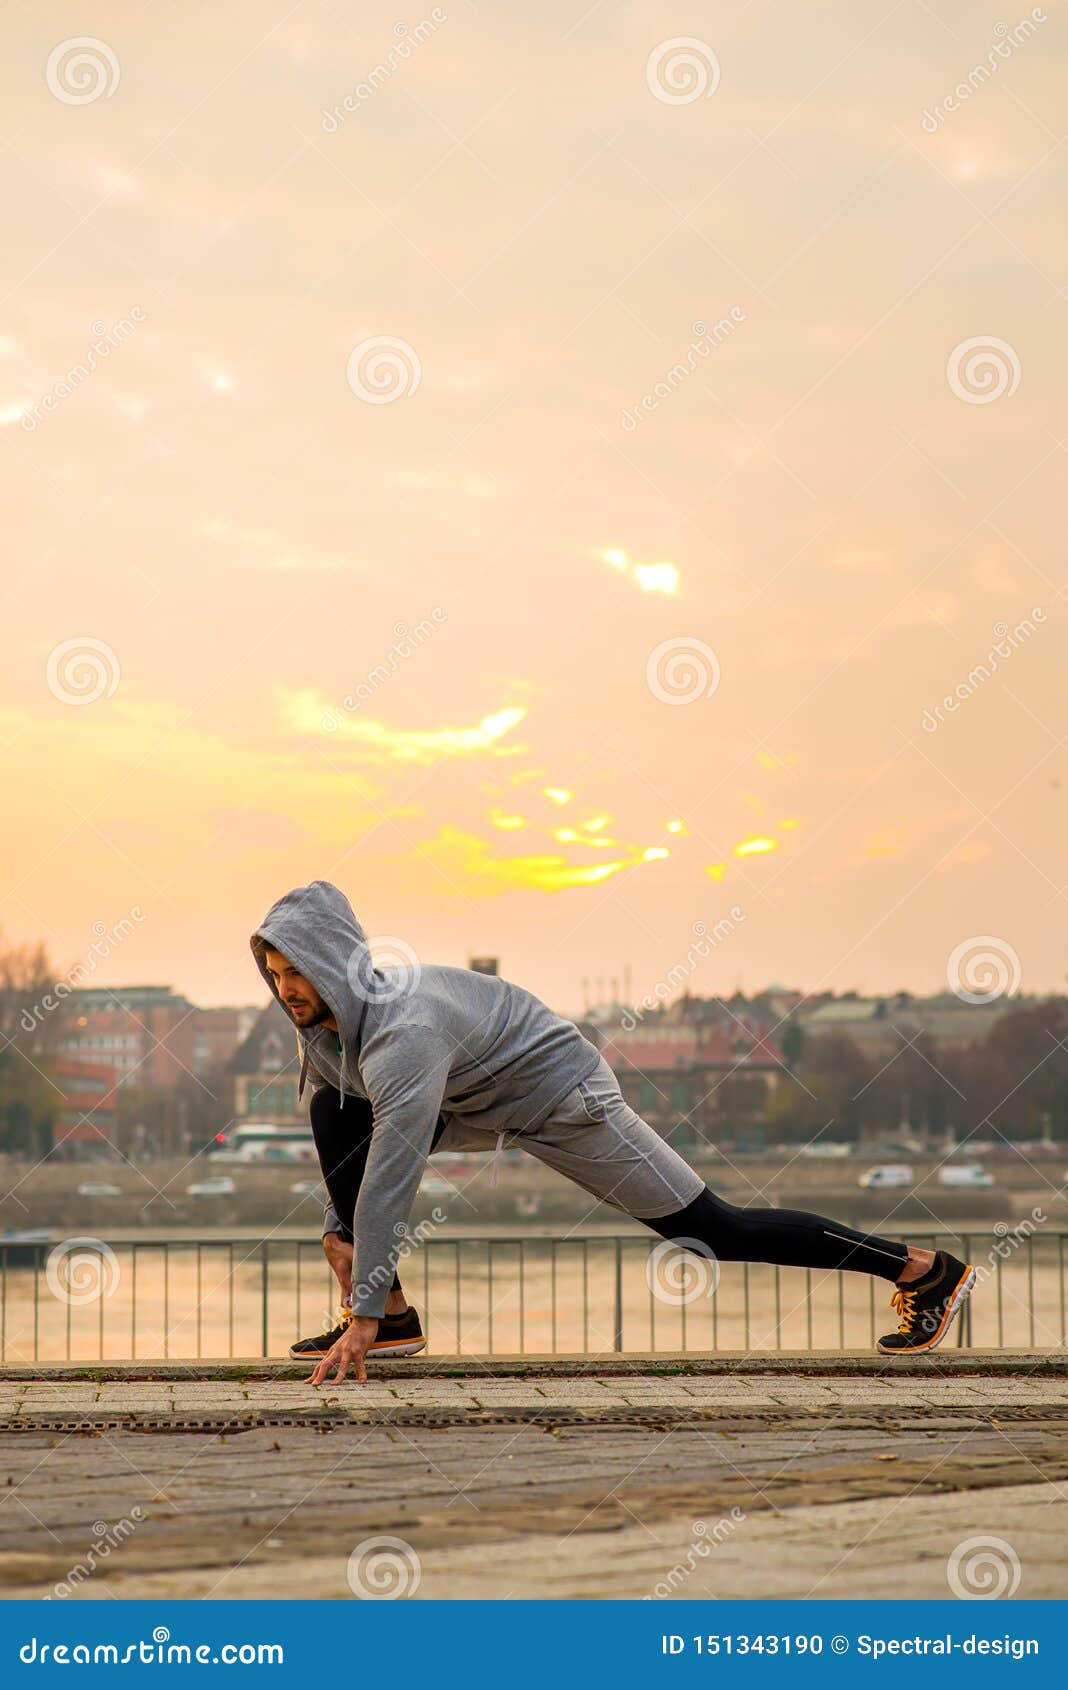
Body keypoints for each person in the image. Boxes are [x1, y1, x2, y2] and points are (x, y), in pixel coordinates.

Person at [250, 880, 976, 1384]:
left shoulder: (402, 1035)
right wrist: (336, 1228)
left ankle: (921, 1270)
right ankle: (402, 1320)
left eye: (300, 972)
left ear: (339, 965)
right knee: (329, 1110)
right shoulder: (326, 1029)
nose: (287, 989)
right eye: (276, 973)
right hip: (472, 1096)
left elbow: (391, 1172)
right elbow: (351, 1131)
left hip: (561, 1095)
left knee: (713, 1228)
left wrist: (361, 1310)